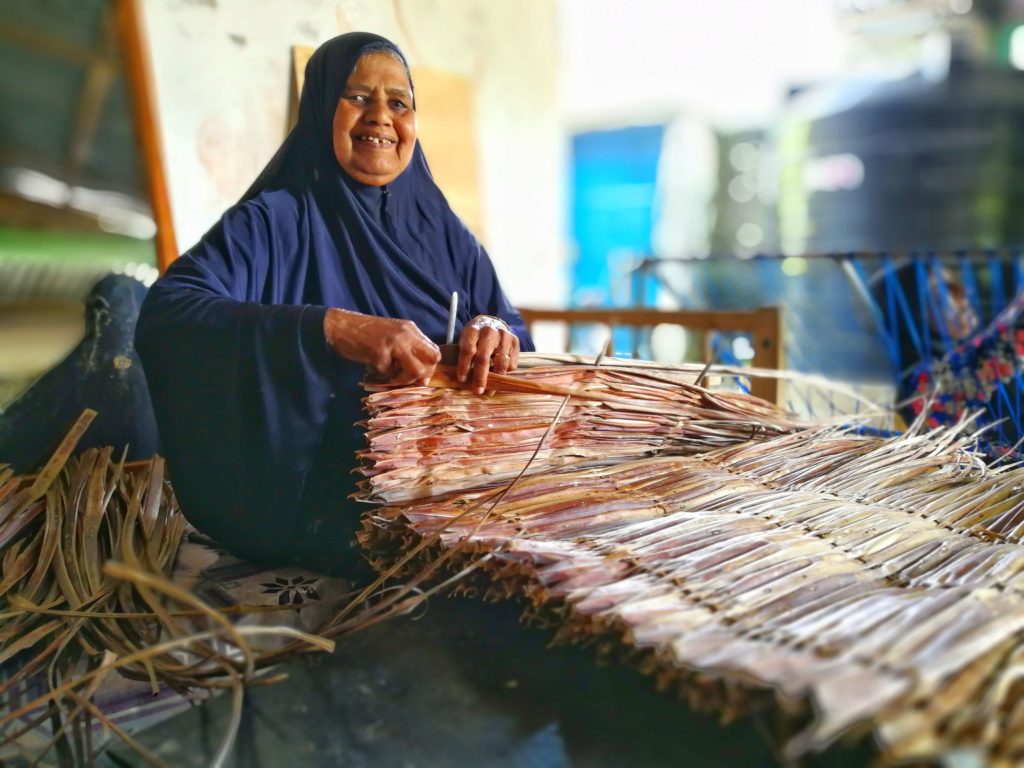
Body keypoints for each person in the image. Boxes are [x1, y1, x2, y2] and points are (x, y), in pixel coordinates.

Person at [135, 32, 533, 575]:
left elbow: (512, 332)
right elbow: (170, 313)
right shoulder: (276, 220)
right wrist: (333, 329)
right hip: (325, 509)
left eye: (398, 102)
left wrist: (491, 328)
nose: (380, 118)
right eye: (356, 97)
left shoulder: (444, 231)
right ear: (322, 108)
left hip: (449, 505)